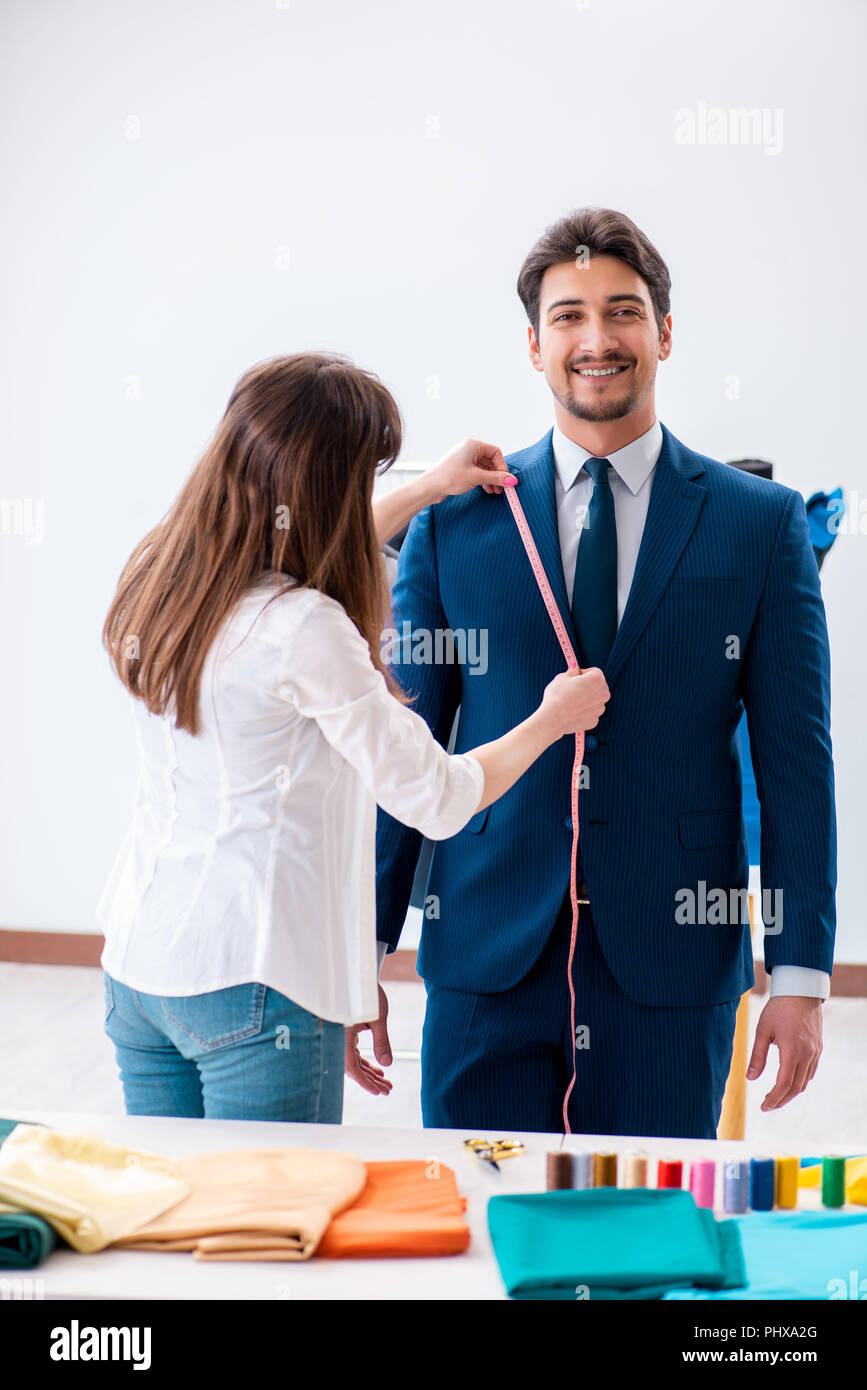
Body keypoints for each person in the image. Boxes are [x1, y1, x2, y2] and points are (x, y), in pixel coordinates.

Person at [367, 207, 836, 1138]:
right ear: (534, 345)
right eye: (568, 316)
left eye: (621, 312)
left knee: (650, 1236)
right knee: (482, 1229)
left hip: (672, 954)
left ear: (662, 333)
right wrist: (366, 947)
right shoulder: (455, 522)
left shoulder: (759, 522)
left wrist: (799, 975)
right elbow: (404, 752)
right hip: (485, 951)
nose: (596, 338)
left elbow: (795, 760)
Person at [96, 351, 609, 1123]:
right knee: (267, 1228)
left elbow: (288, 561)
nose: (367, 492)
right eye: (362, 478)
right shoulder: (308, 630)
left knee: (181, 1218)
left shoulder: (165, 570)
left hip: (140, 968)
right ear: (322, 487)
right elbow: (436, 798)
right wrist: (549, 720)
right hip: (255, 986)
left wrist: (430, 486)